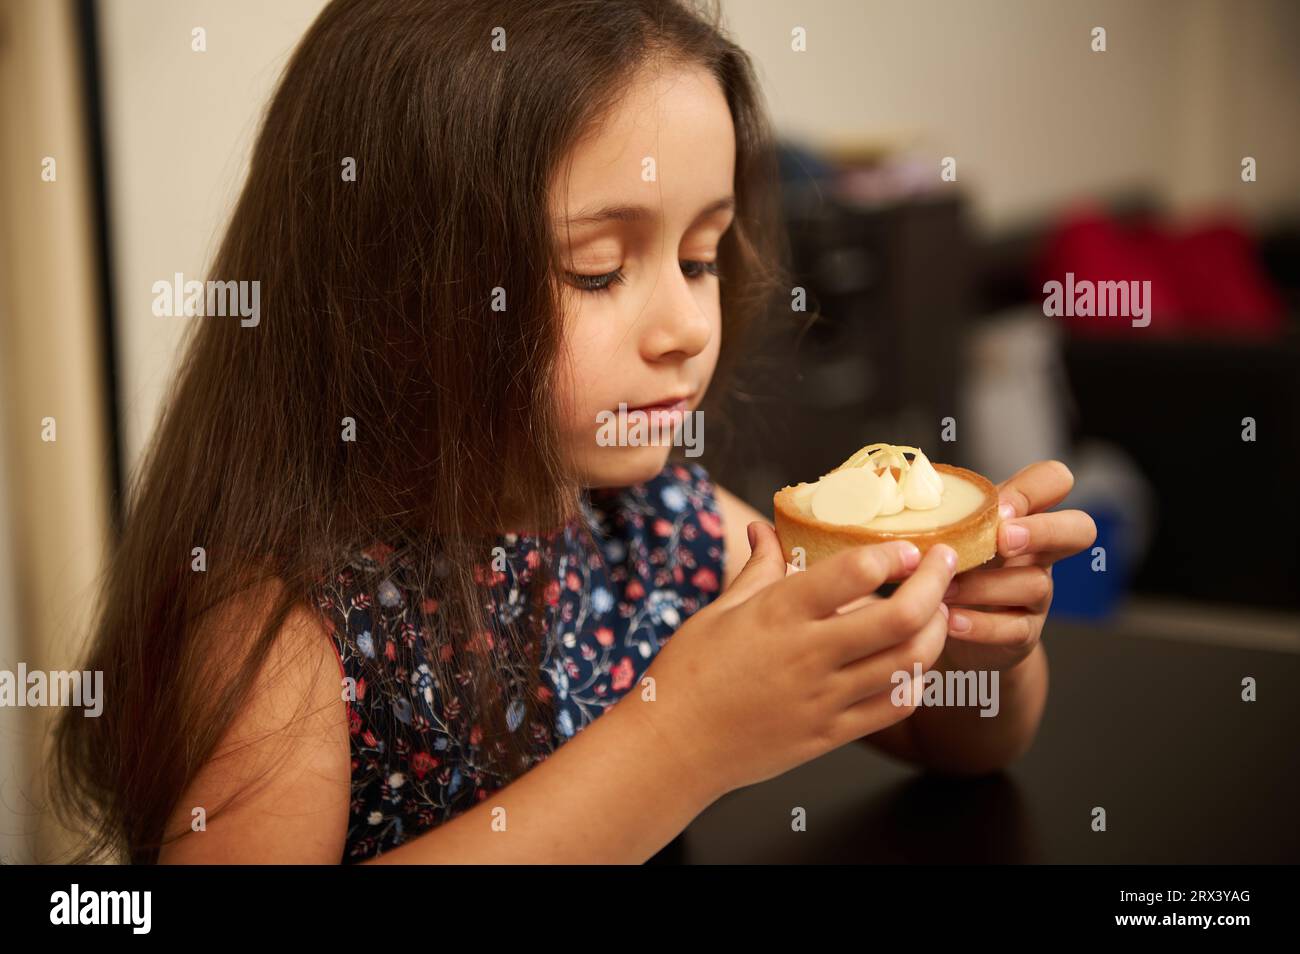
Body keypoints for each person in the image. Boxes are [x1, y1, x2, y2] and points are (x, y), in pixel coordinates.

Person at [51, 0, 1094, 864]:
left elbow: (951, 742)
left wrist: (972, 646)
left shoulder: (655, 520)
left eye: (700, 257)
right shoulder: (281, 620)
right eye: (598, 269)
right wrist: (681, 739)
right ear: (394, 292)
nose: (687, 328)